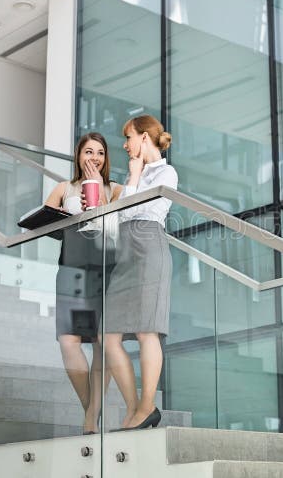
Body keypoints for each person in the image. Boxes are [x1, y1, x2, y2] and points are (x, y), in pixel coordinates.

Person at [102, 114, 177, 431]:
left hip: (149, 251)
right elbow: (121, 217)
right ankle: (135, 406)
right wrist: (132, 178)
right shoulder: (136, 174)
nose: (125, 144)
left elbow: (133, 211)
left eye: (129, 136)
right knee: (108, 335)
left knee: (148, 331)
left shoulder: (167, 172)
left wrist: (132, 179)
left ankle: (146, 407)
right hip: (127, 254)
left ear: (144, 138)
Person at [45, 132, 122, 434]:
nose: (94, 158)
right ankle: (91, 408)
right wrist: (65, 216)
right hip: (72, 267)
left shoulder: (115, 189)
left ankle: (92, 417)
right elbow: (43, 221)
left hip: (106, 266)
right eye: (88, 152)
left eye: (100, 153)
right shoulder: (64, 188)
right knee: (69, 342)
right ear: (78, 156)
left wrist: (101, 200)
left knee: (104, 343)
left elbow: (120, 227)